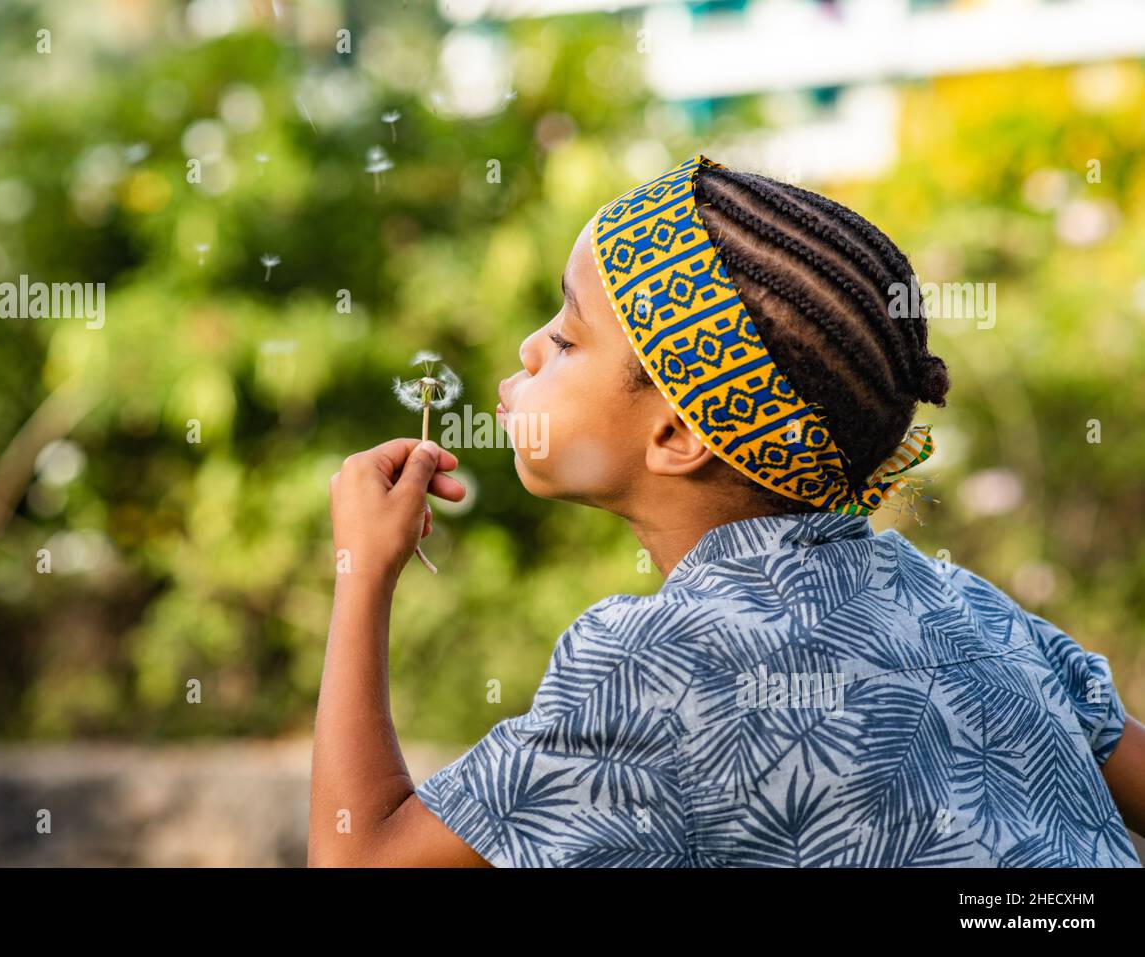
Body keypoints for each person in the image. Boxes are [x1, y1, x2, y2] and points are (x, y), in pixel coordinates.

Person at [308, 154, 1145, 867]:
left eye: (567, 340)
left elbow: (360, 854)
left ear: (676, 433)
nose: (530, 347)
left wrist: (363, 570)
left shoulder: (657, 673)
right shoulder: (968, 609)